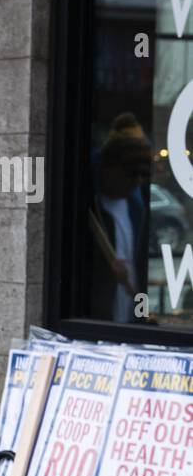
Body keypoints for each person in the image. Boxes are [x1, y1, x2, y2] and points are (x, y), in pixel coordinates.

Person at [90, 113, 150, 324]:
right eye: (131, 174)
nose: (137, 181)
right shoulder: (90, 210)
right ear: (109, 168)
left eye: (142, 175)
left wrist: (143, 316)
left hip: (129, 322)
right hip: (98, 324)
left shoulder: (136, 210)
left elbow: (139, 269)